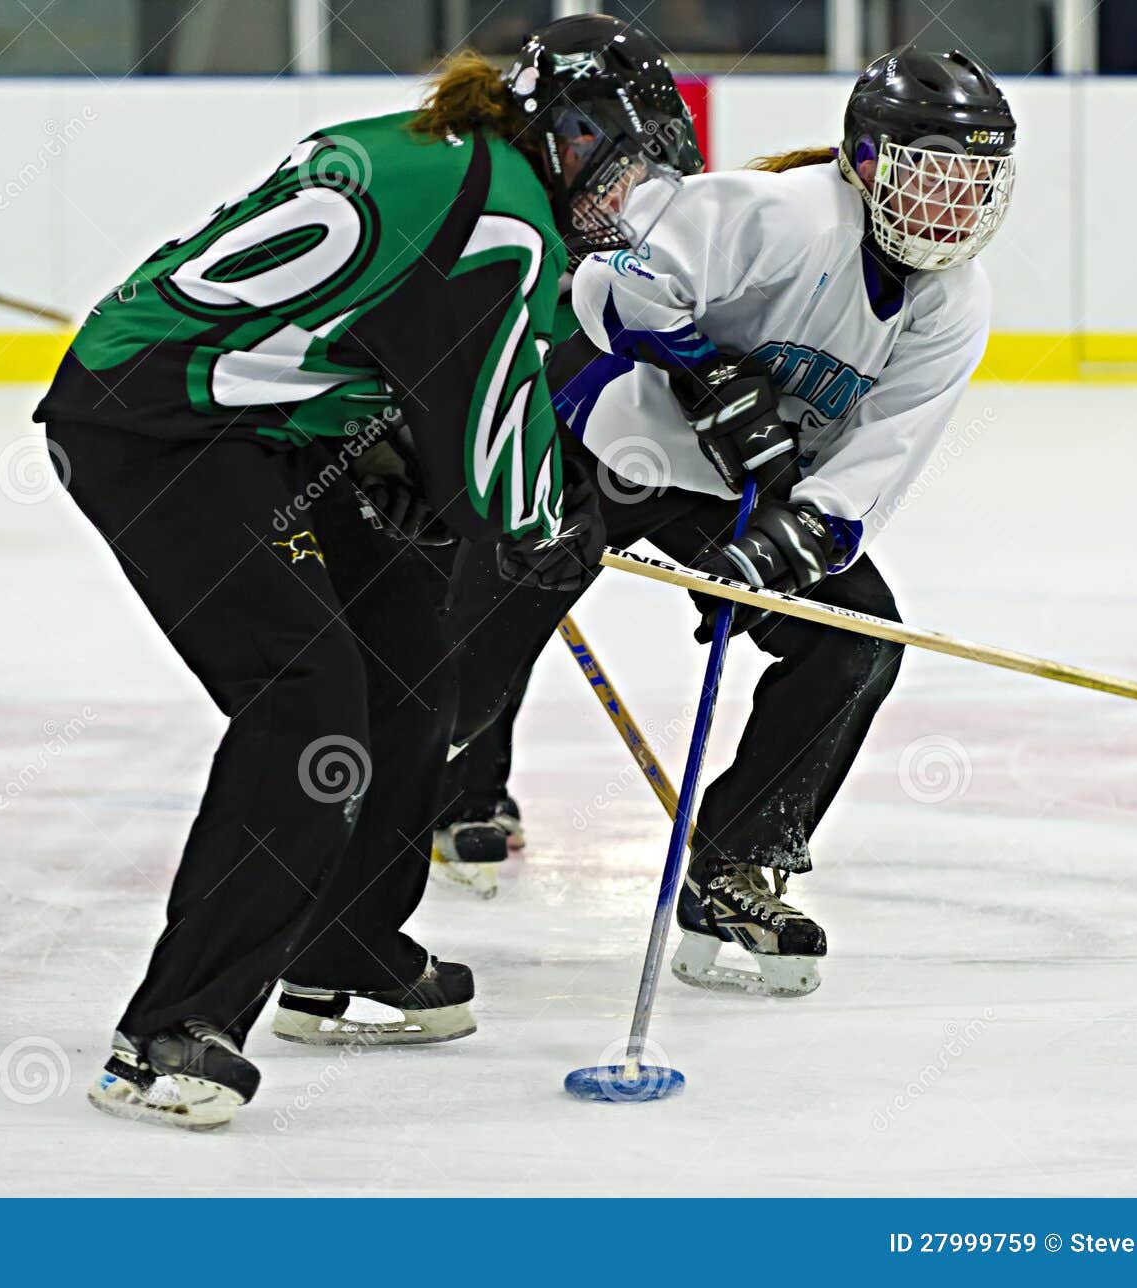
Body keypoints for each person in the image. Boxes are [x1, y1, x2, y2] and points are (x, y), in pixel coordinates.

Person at [35, 14, 700, 1131]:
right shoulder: (503, 212)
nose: (621, 194)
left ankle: (340, 949)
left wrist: (389, 445)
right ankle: (168, 1030)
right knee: (305, 703)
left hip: (262, 427)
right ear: (561, 130)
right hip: (159, 429)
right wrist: (548, 530)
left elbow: (390, 346)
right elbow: (496, 448)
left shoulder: (459, 161)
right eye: (614, 158)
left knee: (405, 653)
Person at [441, 46, 1017, 996]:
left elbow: (885, 447)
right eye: (934, 177)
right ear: (867, 162)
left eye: (976, 184)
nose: (955, 208)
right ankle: (418, 813)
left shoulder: (954, 303)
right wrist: (708, 374)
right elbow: (607, 288)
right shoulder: (777, 216)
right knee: (464, 666)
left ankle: (736, 863)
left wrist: (803, 537)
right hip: (599, 441)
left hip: (727, 487)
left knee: (854, 639)